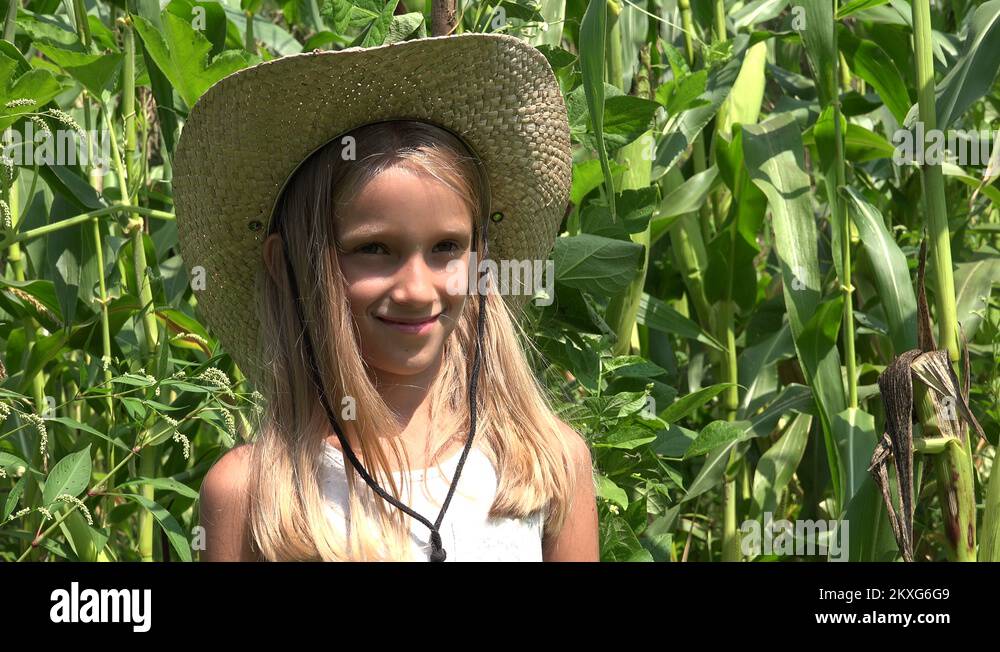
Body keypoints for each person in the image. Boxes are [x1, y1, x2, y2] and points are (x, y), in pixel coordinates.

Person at [173, 33, 598, 561]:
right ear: (287, 267)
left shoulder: (544, 466)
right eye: (374, 249)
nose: (418, 290)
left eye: (447, 247)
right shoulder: (253, 496)